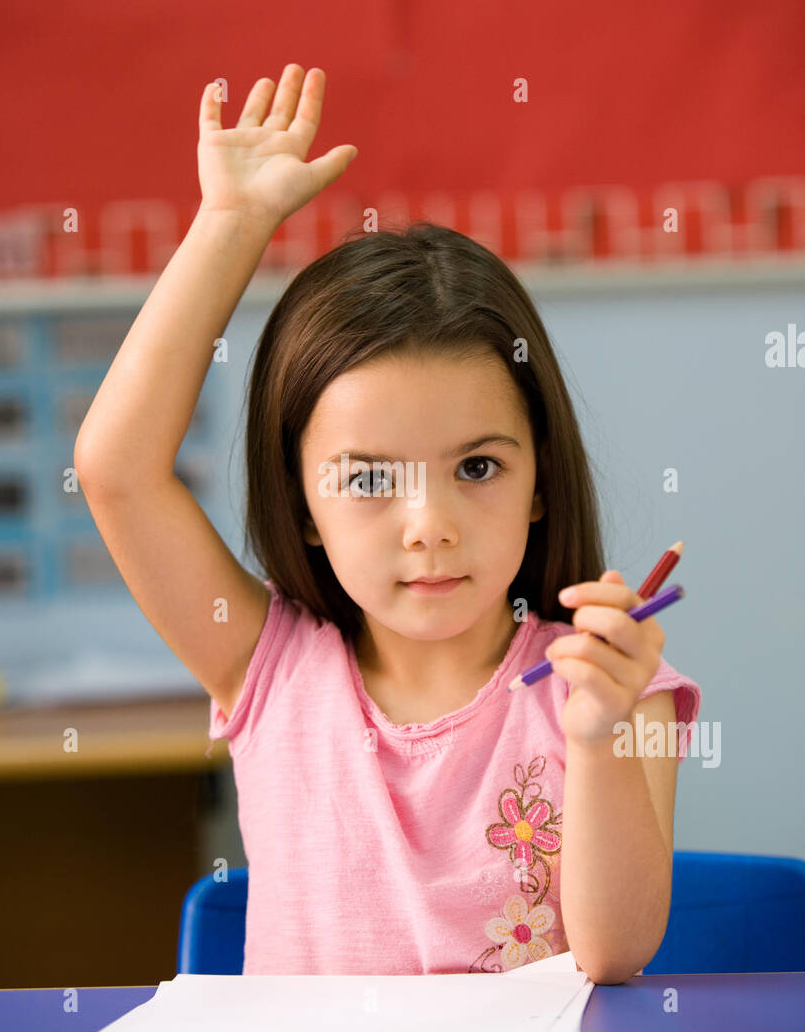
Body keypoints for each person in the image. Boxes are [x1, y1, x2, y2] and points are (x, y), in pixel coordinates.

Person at [75, 63, 700, 984]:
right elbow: (115, 470)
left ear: (540, 483)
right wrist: (232, 222)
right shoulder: (265, 665)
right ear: (304, 511)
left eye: (477, 467)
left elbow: (614, 954)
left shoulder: (615, 689)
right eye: (369, 477)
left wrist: (599, 733)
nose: (430, 526)